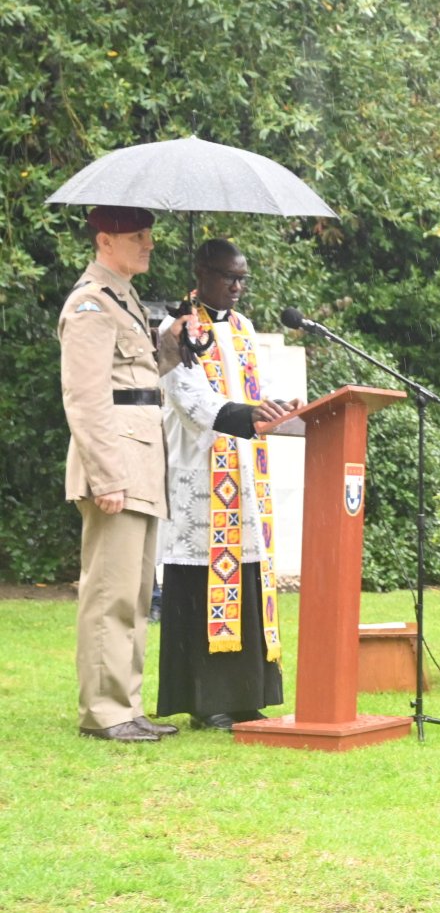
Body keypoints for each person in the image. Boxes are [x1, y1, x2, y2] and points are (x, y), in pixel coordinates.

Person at [155, 240, 302, 731]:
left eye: (242, 279)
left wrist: (275, 407)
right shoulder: (177, 329)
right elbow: (189, 400)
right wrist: (246, 414)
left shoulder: (243, 328)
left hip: (245, 471)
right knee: (203, 581)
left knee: (248, 575)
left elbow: (249, 391)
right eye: (228, 277)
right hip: (200, 471)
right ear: (202, 273)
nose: (237, 287)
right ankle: (206, 700)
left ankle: (245, 696)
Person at [57, 206, 179, 743]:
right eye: (137, 236)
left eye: (148, 235)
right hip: (117, 464)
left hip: (142, 460)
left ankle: (127, 706)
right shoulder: (90, 303)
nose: (148, 244)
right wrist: (105, 476)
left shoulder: (123, 297)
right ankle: (105, 712)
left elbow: (138, 380)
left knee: (134, 592)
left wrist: (173, 344)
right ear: (105, 241)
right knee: (110, 591)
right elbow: (85, 398)